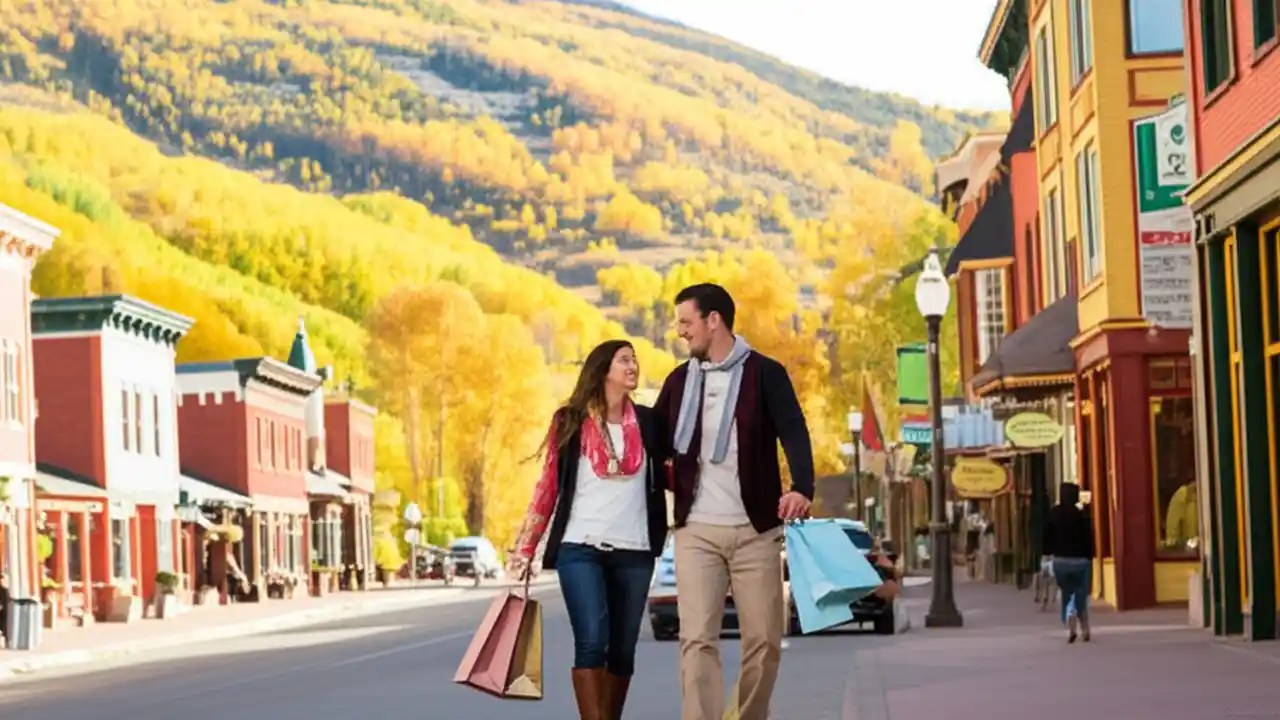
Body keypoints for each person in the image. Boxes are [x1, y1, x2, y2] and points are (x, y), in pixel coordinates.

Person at [651, 283, 814, 720]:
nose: (681, 332)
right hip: (696, 530)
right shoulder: (679, 381)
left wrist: (802, 487)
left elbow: (793, 431)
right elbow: (652, 439)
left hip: (755, 530)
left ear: (714, 320)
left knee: (763, 639)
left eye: (687, 322)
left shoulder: (765, 374)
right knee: (697, 639)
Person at [509, 339, 668, 720]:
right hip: (580, 549)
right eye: (624, 360)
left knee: (622, 651)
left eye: (635, 360)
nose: (633, 366)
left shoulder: (648, 423)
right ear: (603, 369)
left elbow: (669, 474)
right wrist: (526, 548)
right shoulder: (571, 421)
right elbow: (548, 486)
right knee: (592, 641)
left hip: (636, 550)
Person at [1043, 482, 1095, 643]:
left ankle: (1071, 628)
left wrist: (1048, 552)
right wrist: (1090, 555)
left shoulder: (1053, 514)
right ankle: (1085, 628)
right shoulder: (1081, 515)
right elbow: (1089, 538)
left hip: (1061, 562)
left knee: (1068, 594)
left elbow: (1047, 538)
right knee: (1081, 595)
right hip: (1080, 562)